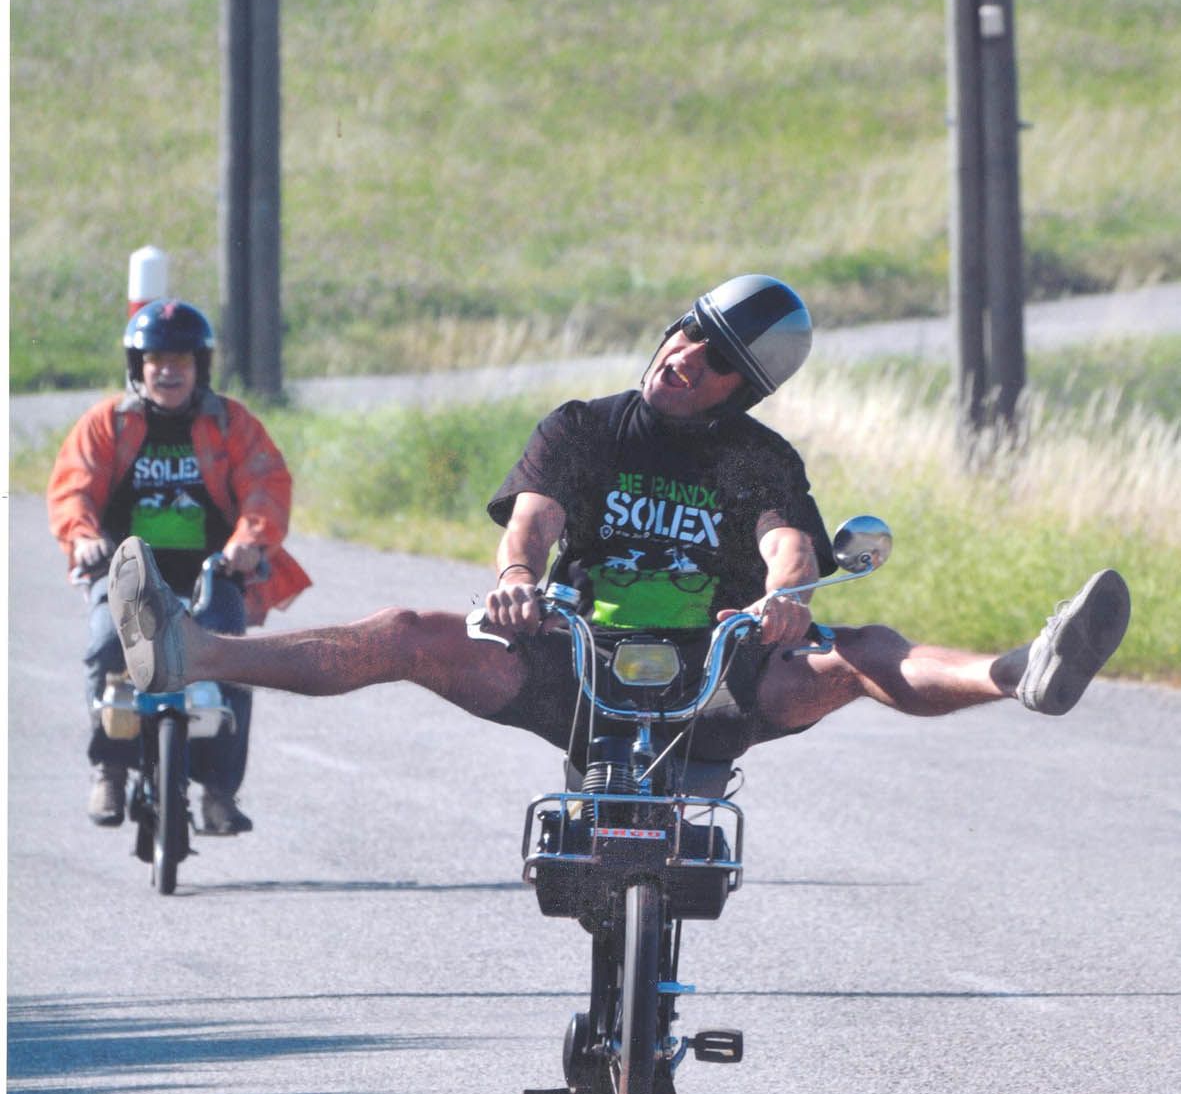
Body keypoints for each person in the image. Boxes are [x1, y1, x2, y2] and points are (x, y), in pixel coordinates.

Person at [101, 276, 1131, 775]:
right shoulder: (583, 429)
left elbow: (788, 547)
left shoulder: (757, 459)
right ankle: (195, 651)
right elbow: (533, 523)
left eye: (714, 360)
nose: (684, 358)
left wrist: (784, 599)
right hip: (575, 669)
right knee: (409, 630)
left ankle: (1019, 671)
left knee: (857, 649)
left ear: (739, 391)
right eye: (687, 332)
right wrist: (516, 577)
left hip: (716, 684)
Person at [47, 298, 311, 834]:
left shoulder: (233, 422)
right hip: (124, 572)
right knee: (105, 646)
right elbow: (74, 488)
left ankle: (218, 795)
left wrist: (249, 541)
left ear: (200, 367)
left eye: (181, 361)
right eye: (156, 360)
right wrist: (85, 536)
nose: (168, 371)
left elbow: (266, 485)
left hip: (213, 572)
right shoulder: (106, 423)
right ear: (137, 366)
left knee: (235, 662)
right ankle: (109, 772)